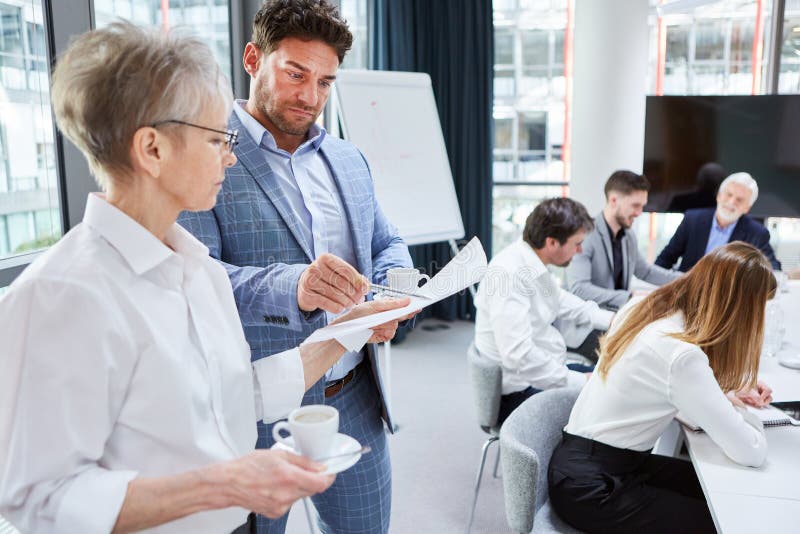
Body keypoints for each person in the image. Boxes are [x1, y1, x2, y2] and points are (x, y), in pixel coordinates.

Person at [0, 22, 408, 534]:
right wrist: (224, 485)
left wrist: (353, 326)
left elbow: (235, 395)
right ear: (152, 149)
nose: (232, 155)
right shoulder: (57, 296)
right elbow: (37, 498)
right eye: (218, 138)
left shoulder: (193, 266)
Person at [177, 1, 412, 532]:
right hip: (255, 405)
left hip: (352, 394)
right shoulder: (208, 155)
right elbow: (198, 282)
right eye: (295, 74)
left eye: (325, 82)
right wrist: (295, 288)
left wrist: (400, 292)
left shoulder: (350, 160)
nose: (310, 97)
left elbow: (386, 240)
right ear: (253, 57)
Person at [548, 241, 775, 533]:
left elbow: (666, 384)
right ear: (738, 308)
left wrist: (727, 394)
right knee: (726, 519)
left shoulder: (646, 309)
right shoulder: (681, 355)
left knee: (718, 490)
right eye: (760, 309)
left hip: (593, 465)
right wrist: (756, 416)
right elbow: (751, 452)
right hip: (594, 488)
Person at [473, 198, 615, 425]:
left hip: (540, 373)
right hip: (518, 393)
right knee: (610, 405)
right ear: (551, 243)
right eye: (576, 243)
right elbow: (519, 355)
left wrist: (614, 319)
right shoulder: (510, 275)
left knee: (610, 381)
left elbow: (561, 301)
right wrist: (577, 381)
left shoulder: (530, 261)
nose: (579, 251)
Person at [567, 170, 681, 310]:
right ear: (613, 200)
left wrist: (687, 278)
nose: (639, 213)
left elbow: (645, 271)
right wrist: (629, 297)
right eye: (635, 205)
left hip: (618, 319)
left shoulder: (628, 236)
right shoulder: (585, 235)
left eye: (642, 206)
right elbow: (579, 288)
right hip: (588, 326)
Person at [655, 172, 781, 272]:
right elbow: (665, 259)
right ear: (719, 196)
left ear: (747, 208)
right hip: (688, 293)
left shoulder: (757, 233)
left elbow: (772, 269)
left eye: (740, 199)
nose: (731, 202)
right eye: (729, 195)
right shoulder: (692, 220)